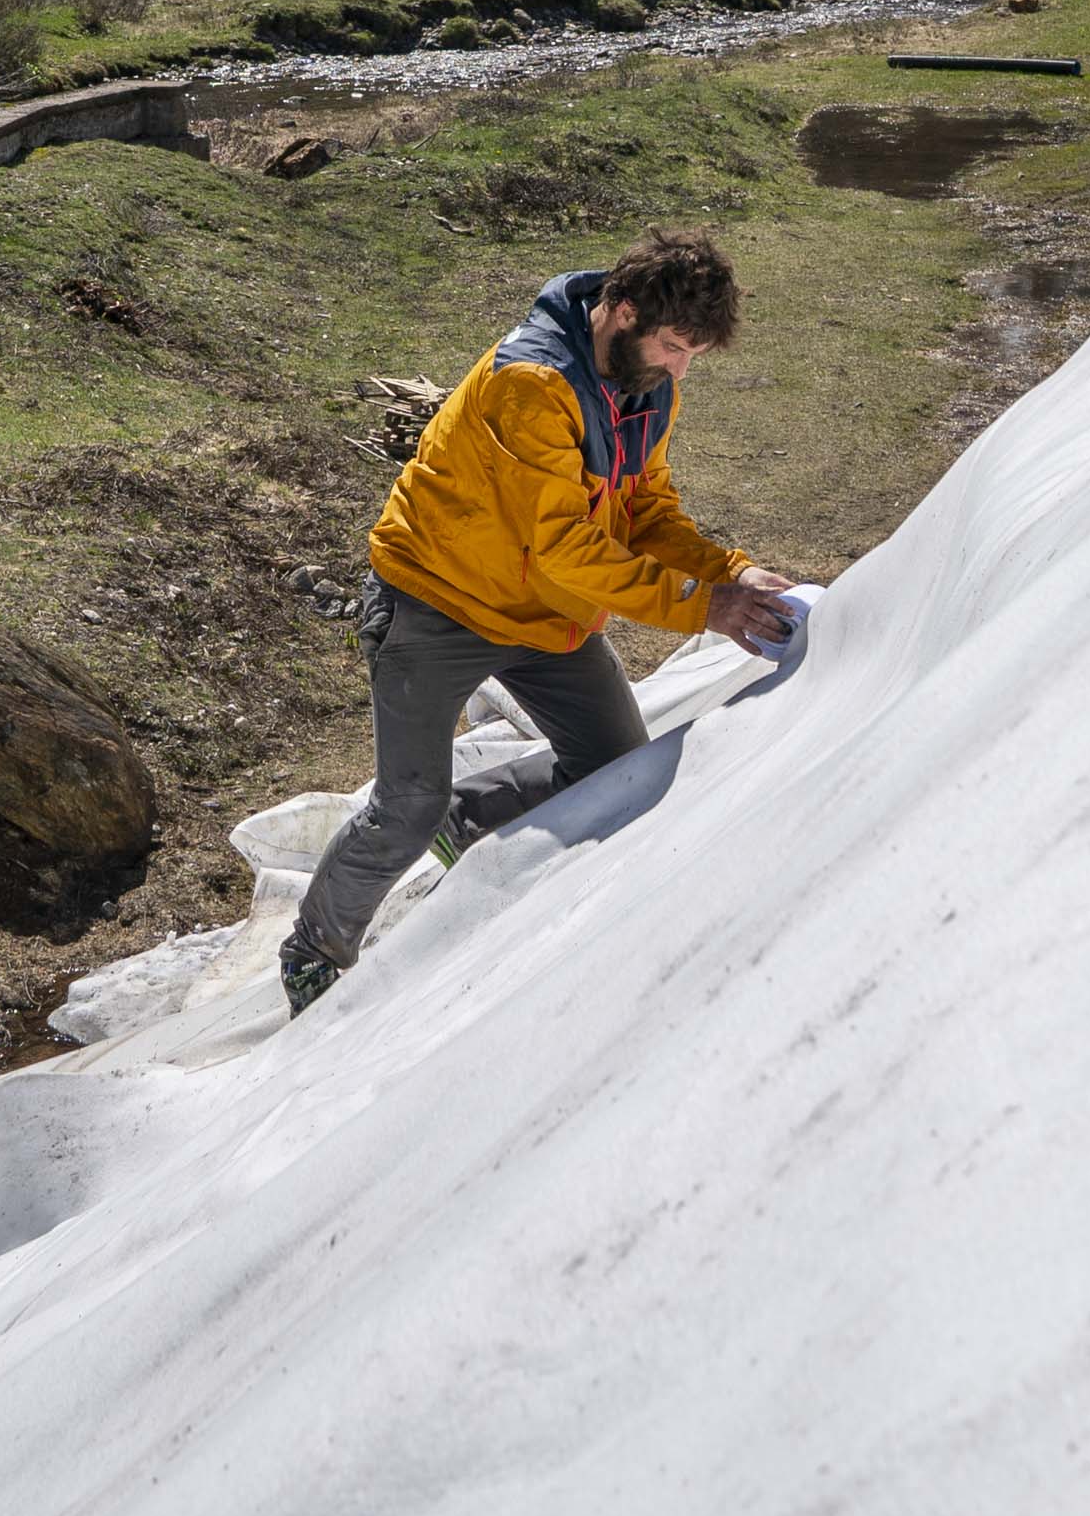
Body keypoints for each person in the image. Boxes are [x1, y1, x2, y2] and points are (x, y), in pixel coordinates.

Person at [282, 230, 802, 1012]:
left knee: (614, 763)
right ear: (622, 313)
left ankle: (470, 816)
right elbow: (564, 547)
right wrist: (704, 607)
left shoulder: (644, 384)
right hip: (436, 602)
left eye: (693, 352)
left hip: (538, 609)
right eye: (672, 345)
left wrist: (729, 570)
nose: (681, 367)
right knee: (407, 804)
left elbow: (646, 509)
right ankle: (314, 950)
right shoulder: (532, 385)